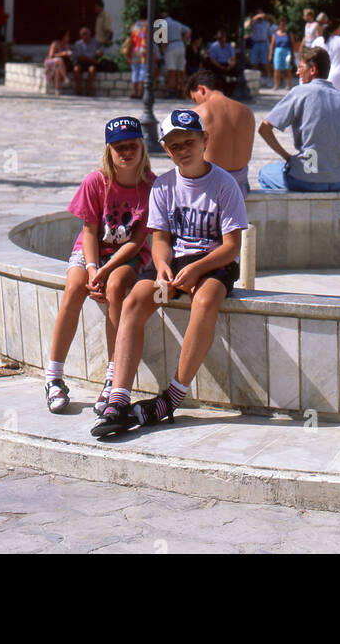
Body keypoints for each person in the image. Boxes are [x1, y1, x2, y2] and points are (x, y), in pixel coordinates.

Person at [90, 109, 248, 437]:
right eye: (174, 146)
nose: (182, 150)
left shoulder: (224, 184)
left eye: (189, 142)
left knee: (205, 301)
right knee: (136, 299)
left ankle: (172, 397)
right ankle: (119, 394)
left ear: (205, 140)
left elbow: (232, 246)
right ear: (166, 149)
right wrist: (162, 266)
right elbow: (159, 240)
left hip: (211, 265)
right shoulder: (163, 186)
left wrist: (198, 268)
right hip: (174, 269)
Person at [44, 117, 155, 414]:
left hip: (127, 254)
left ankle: (111, 376)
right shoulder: (97, 181)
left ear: (142, 147)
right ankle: (53, 376)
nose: (126, 153)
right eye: (119, 147)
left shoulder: (150, 186)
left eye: (132, 146)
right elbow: (90, 231)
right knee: (74, 286)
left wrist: (106, 271)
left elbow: (138, 240)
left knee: (117, 288)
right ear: (109, 150)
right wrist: (93, 268)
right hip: (93, 250)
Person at [256, 46, 340, 192]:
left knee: (264, 173)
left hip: (307, 177)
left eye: (300, 67)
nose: (297, 72)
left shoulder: (299, 92)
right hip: (339, 180)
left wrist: (288, 158)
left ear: (312, 70)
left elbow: (264, 129)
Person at [187, 69, 255, 193]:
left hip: (208, 188)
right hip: (239, 188)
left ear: (201, 89)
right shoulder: (247, 112)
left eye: (195, 99)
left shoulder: (197, 114)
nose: (196, 103)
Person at [162, 15, 191, 96]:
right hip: (181, 46)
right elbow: (189, 31)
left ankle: (172, 91)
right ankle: (180, 91)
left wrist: (163, 50)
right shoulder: (177, 23)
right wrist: (182, 39)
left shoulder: (163, 24)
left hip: (171, 46)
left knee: (171, 71)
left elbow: (163, 39)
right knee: (180, 70)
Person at [72, 26, 102, 96]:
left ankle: (88, 90)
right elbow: (79, 57)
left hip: (91, 63)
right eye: (83, 34)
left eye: (86, 34)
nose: (85, 36)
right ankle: (78, 89)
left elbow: (99, 51)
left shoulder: (95, 42)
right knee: (76, 69)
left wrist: (99, 53)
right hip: (82, 62)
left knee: (92, 70)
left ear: (89, 34)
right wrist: (92, 60)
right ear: (81, 36)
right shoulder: (78, 44)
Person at [123, 18, 148, 100]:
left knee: (135, 71)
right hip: (144, 50)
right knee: (143, 71)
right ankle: (141, 92)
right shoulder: (149, 24)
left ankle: (134, 92)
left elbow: (132, 38)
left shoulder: (134, 25)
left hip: (134, 51)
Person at [44, 29, 73, 96]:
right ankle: (65, 78)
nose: (68, 37)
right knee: (59, 60)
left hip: (61, 65)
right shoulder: (55, 43)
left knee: (58, 70)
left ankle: (57, 90)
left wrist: (68, 54)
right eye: (67, 36)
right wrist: (62, 54)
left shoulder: (67, 45)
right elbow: (51, 55)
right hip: (51, 62)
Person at [271, 16, 293, 90]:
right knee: (277, 69)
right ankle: (276, 85)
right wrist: (270, 54)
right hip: (278, 51)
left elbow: (292, 44)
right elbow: (272, 45)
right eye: (281, 24)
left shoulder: (289, 33)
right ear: (278, 25)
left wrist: (293, 54)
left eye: (283, 24)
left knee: (288, 69)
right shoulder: (275, 34)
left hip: (287, 51)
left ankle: (289, 85)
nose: (282, 25)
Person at [248, 11, 272, 78]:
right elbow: (249, 24)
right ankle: (252, 78)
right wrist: (256, 16)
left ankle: (268, 78)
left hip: (264, 43)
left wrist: (271, 45)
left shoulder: (266, 23)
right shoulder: (254, 23)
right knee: (254, 62)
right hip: (255, 43)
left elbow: (269, 35)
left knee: (266, 62)